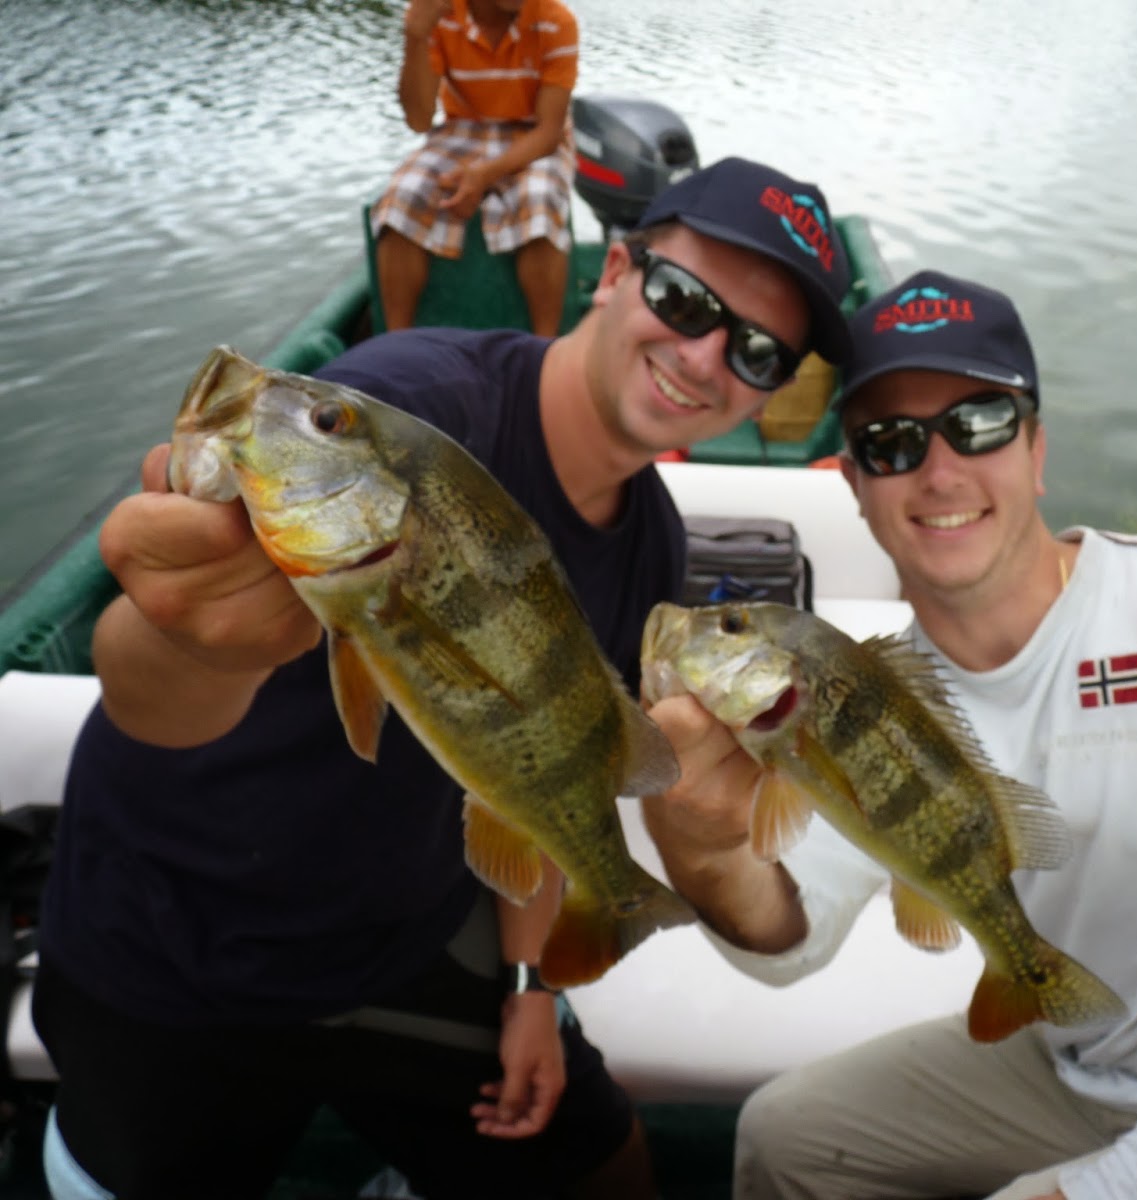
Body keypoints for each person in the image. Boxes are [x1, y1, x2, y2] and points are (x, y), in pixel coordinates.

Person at [33, 156, 852, 1200]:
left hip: (404, 944)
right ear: (614, 272)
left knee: (611, 1176)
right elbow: (146, 695)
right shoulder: (407, 408)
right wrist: (191, 642)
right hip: (173, 945)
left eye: (758, 350)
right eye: (685, 300)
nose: (703, 355)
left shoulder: (654, 542)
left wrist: (530, 985)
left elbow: (546, 779)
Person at [642, 270, 1137, 1199]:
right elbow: (791, 935)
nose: (941, 471)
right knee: (786, 1141)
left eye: (979, 423)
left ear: (1036, 448)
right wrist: (701, 845)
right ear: (853, 483)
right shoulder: (866, 699)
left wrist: (1109, 1189)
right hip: (1084, 1065)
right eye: (892, 443)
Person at [372, 0, 580, 336]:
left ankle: (544, 349)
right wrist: (415, 37)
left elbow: (549, 132)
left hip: (532, 132)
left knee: (539, 203)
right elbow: (419, 120)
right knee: (401, 198)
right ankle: (396, 344)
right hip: (463, 129)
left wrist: (483, 175)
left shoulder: (556, 22)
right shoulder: (439, 13)